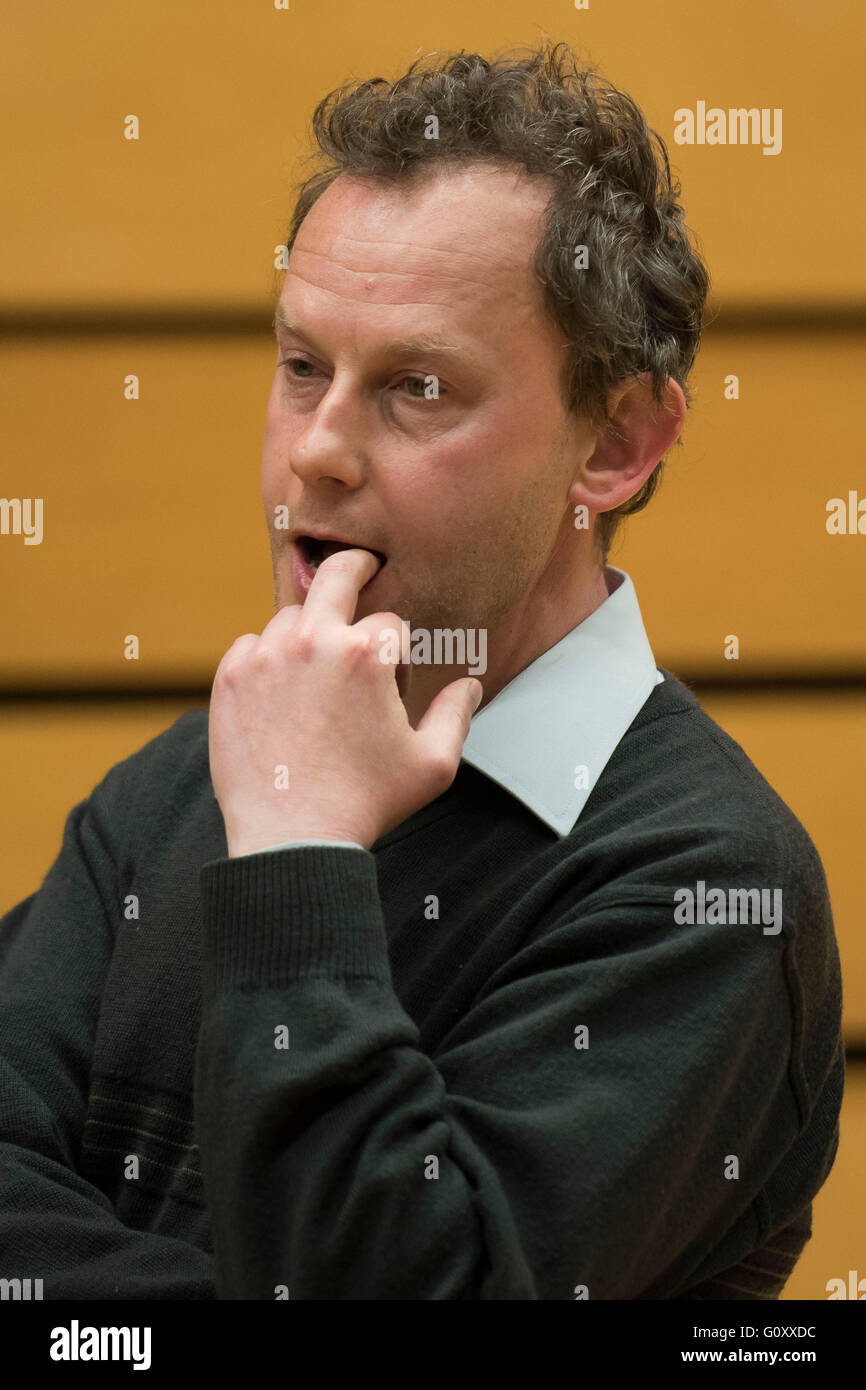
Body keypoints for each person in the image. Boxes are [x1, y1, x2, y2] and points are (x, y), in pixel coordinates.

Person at [0, 41, 843, 1300]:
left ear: (613, 442)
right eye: (300, 368)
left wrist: (297, 857)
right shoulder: (181, 784)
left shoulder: (707, 887)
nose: (317, 453)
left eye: (418, 386)